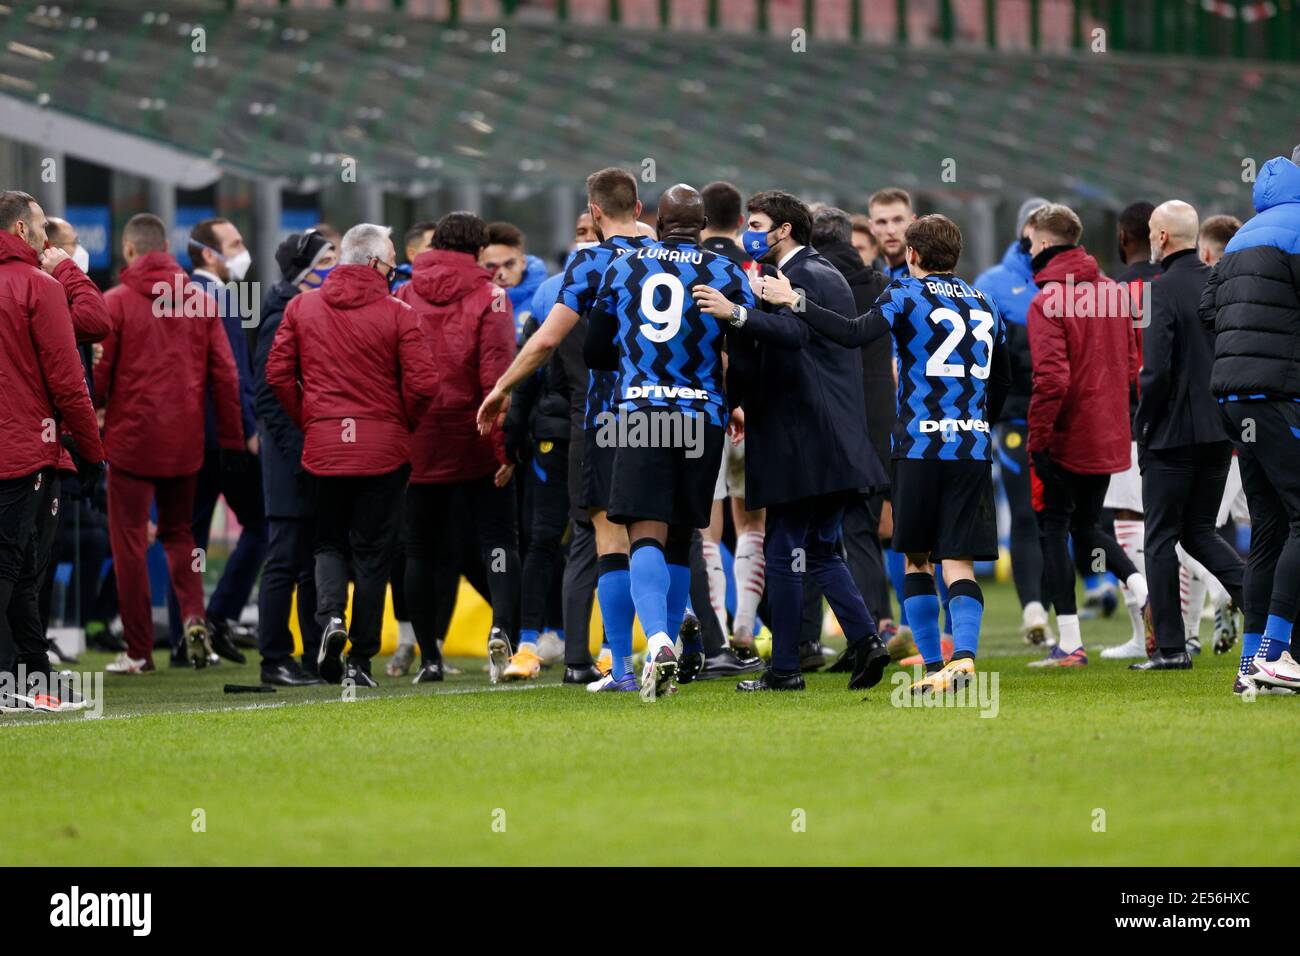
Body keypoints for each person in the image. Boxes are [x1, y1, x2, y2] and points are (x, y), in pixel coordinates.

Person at [751, 214, 1010, 695]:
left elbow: (851, 333)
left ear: (912, 254)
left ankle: (934, 667)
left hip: (918, 446)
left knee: (917, 559)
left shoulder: (903, 294)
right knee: (958, 561)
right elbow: (1006, 382)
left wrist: (795, 300)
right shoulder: (986, 304)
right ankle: (965, 660)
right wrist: (975, 422)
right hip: (971, 446)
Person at [694, 190, 890, 693]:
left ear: (784, 230)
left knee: (783, 549)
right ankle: (867, 640)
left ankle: (784, 669)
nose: (746, 234)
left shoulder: (801, 276)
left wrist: (732, 313)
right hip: (830, 436)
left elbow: (790, 336)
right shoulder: (825, 272)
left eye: (756, 224)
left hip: (801, 436)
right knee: (822, 549)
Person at [477, 168, 654, 694]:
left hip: (600, 419)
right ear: (639, 209)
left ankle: (612, 663)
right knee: (660, 536)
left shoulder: (588, 265)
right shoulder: (670, 263)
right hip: (666, 415)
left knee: (597, 538)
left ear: (594, 213)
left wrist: (502, 388)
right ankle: (667, 639)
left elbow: (544, 343)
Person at [584, 183, 752, 699]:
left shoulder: (622, 267)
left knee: (644, 533)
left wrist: (640, 362)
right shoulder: (726, 271)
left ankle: (657, 638)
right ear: (702, 225)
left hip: (641, 412)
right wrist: (734, 398)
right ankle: (676, 641)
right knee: (682, 534)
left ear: (656, 222)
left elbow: (595, 349)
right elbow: (744, 347)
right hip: (701, 414)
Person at [265, 223, 438, 686]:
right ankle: (359, 659)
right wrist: (399, 423)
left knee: (327, 543)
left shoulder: (301, 306)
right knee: (373, 557)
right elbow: (423, 384)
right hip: (383, 449)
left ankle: (331, 620)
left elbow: (277, 375)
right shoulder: (399, 313)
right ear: (378, 264)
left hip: (324, 447)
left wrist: (313, 421)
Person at [96, 213, 244, 674]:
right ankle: (194, 619)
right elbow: (226, 375)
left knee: (130, 542)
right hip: (185, 444)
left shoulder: (115, 302)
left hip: (132, 442)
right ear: (167, 249)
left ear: (129, 251)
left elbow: (100, 377)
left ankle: (139, 651)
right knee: (182, 538)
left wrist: (94, 415)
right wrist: (232, 441)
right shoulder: (201, 302)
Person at [396, 212, 521, 684]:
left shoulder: (403, 294)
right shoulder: (491, 296)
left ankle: (428, 654)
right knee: (498, 540)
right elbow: (497, 378)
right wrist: (504, 447)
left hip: (418, 438)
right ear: (478, 249)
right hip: (476, 434)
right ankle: (502, 632)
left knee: (421, 550)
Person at [1022, 203, 1148, 668]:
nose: (1028, 250)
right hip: (1111, 432)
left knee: (1054, 529)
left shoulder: (1046, 302)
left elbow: (1051, 380)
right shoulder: (1116, 294)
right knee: (1089, 526)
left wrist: (1038, 441)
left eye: (1032, 242)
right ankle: (1144, 589)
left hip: (1066, 435)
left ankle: (1070, 644)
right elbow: (1134, 368)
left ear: (1047, 243)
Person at [1200, 151, 1300, 693]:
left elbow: (1208, 310)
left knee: (1269, 528)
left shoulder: (1241, 237)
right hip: (1281, 394)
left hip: (1236, 399)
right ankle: (1278, 654)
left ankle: (1249, 668)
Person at [1130, 200, 1244, 671]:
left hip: (1172, 436)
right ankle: (1272, 611)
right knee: (1200, 532)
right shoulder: (1221, 284)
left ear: (1160, 238)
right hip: (1218, 432)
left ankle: (1172, 649)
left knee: (1158, 539)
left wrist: (1143, 425)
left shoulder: (1159, 291)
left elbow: (1154, 373)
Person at [0, 191, 103, 711]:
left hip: (18, 442)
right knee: (13, 567)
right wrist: (92, 451)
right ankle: (19, 680)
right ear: (20, 230)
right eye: (39, 227)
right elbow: (69, 383)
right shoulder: (37, 286)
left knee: (16, 569)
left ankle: (33, 679)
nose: (46, 238)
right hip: (23, 448)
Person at [171, 217, 265, 665]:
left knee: (188, 538)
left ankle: (183, 635)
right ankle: (220, 615)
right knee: (265, 523)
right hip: (224, 437)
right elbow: (233, 375)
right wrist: (246, 431)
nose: (243, 251)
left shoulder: (179, 297)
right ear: (209, 253)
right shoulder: (221, 299)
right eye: (236, 243)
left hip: (187, 436)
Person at [807, 205, 895, 663]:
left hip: (828, 421)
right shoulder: (881, 285)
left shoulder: (810, 280)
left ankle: (809, 640)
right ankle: (874, 629)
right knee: (862, 532)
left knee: (811, 530)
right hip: (881, 423)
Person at [250, 230, 336, 686]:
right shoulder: (280, 314)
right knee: (284, 558)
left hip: (309, 454)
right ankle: (274, 659)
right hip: (291, 460)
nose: (336, 265)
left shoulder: (304, 307)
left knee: (308, 563)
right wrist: (301, 451)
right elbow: (267, 395)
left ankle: (310, 656)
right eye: (329, 257)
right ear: (304, 268)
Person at [974, 197, 1053, 645]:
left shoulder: (1073, 280)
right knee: (1025, 511)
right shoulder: (994, 284)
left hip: (1067, 416)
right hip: (1019, 417)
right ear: (1025, 230)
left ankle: (1074, 612)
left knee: (1064, 516)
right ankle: (1034, 609)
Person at [697, 181, 766, 661]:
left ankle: (714, 632)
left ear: (701, 222)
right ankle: (745, 628)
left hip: (705, 407)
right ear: (741, 222)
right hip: (754, 406)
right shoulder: (757, 267)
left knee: (706, 526)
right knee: (753, 521)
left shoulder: (689, 267)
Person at [481, 221, 548, 335]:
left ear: (523, 262)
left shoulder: (548, 301)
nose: (502, 275)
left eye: (509, 264)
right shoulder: (467, 303)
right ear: (479, 265)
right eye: (491, 266)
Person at [868, 187, 916, 281]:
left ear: (913, 222)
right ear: (871, 227)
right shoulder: (878, 276)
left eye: (898, 220)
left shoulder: (928, 277)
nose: (890, 231)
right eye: (881, 222)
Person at [393, 220, 436, 291]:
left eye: (442, 245)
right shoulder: (395, 288)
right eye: (432, 246)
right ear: (411, 254)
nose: (440, 250)